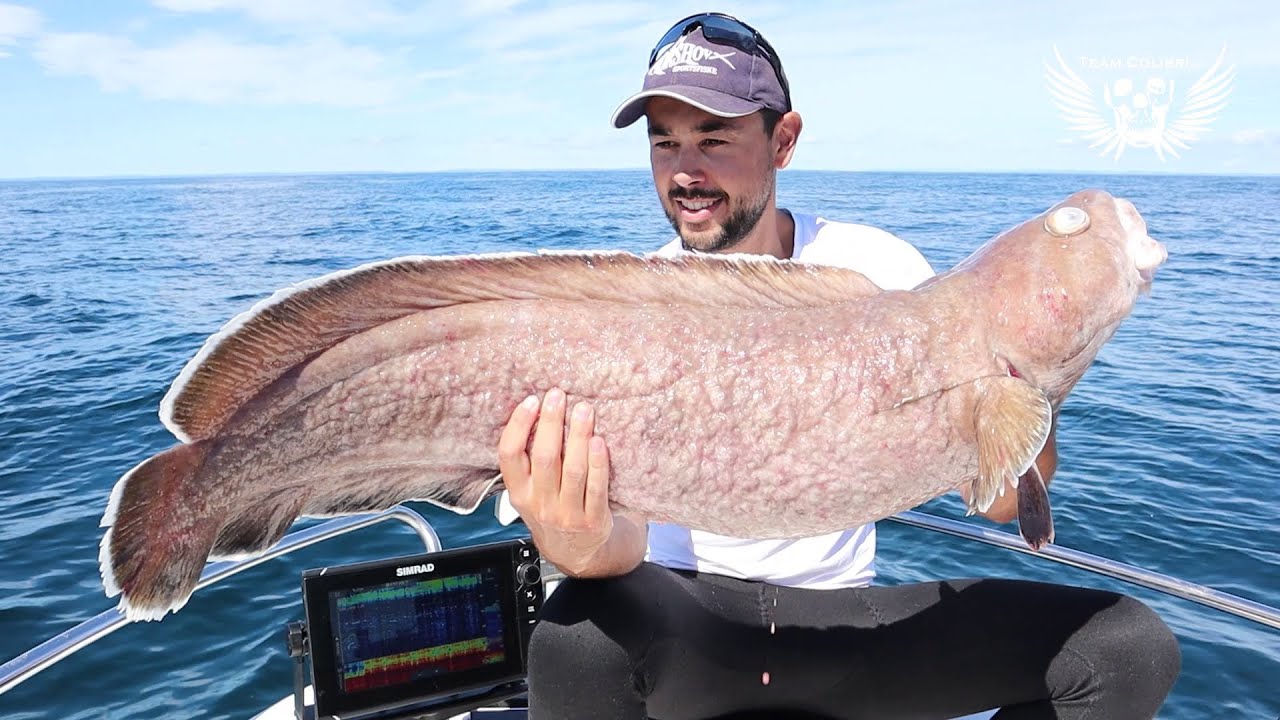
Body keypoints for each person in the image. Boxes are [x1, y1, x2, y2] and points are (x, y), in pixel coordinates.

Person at [496, 12, 1181, 719]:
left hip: (848, 624)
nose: (686, 171)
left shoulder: (883, 270)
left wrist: (1037, 374)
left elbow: (1006, 501)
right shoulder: (628, 308)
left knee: (1128, 647)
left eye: (715, 139)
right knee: (573, 635)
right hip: (687, 620)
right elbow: (618, 547)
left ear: (783, 141)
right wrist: (571, 538)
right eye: (665, 142)